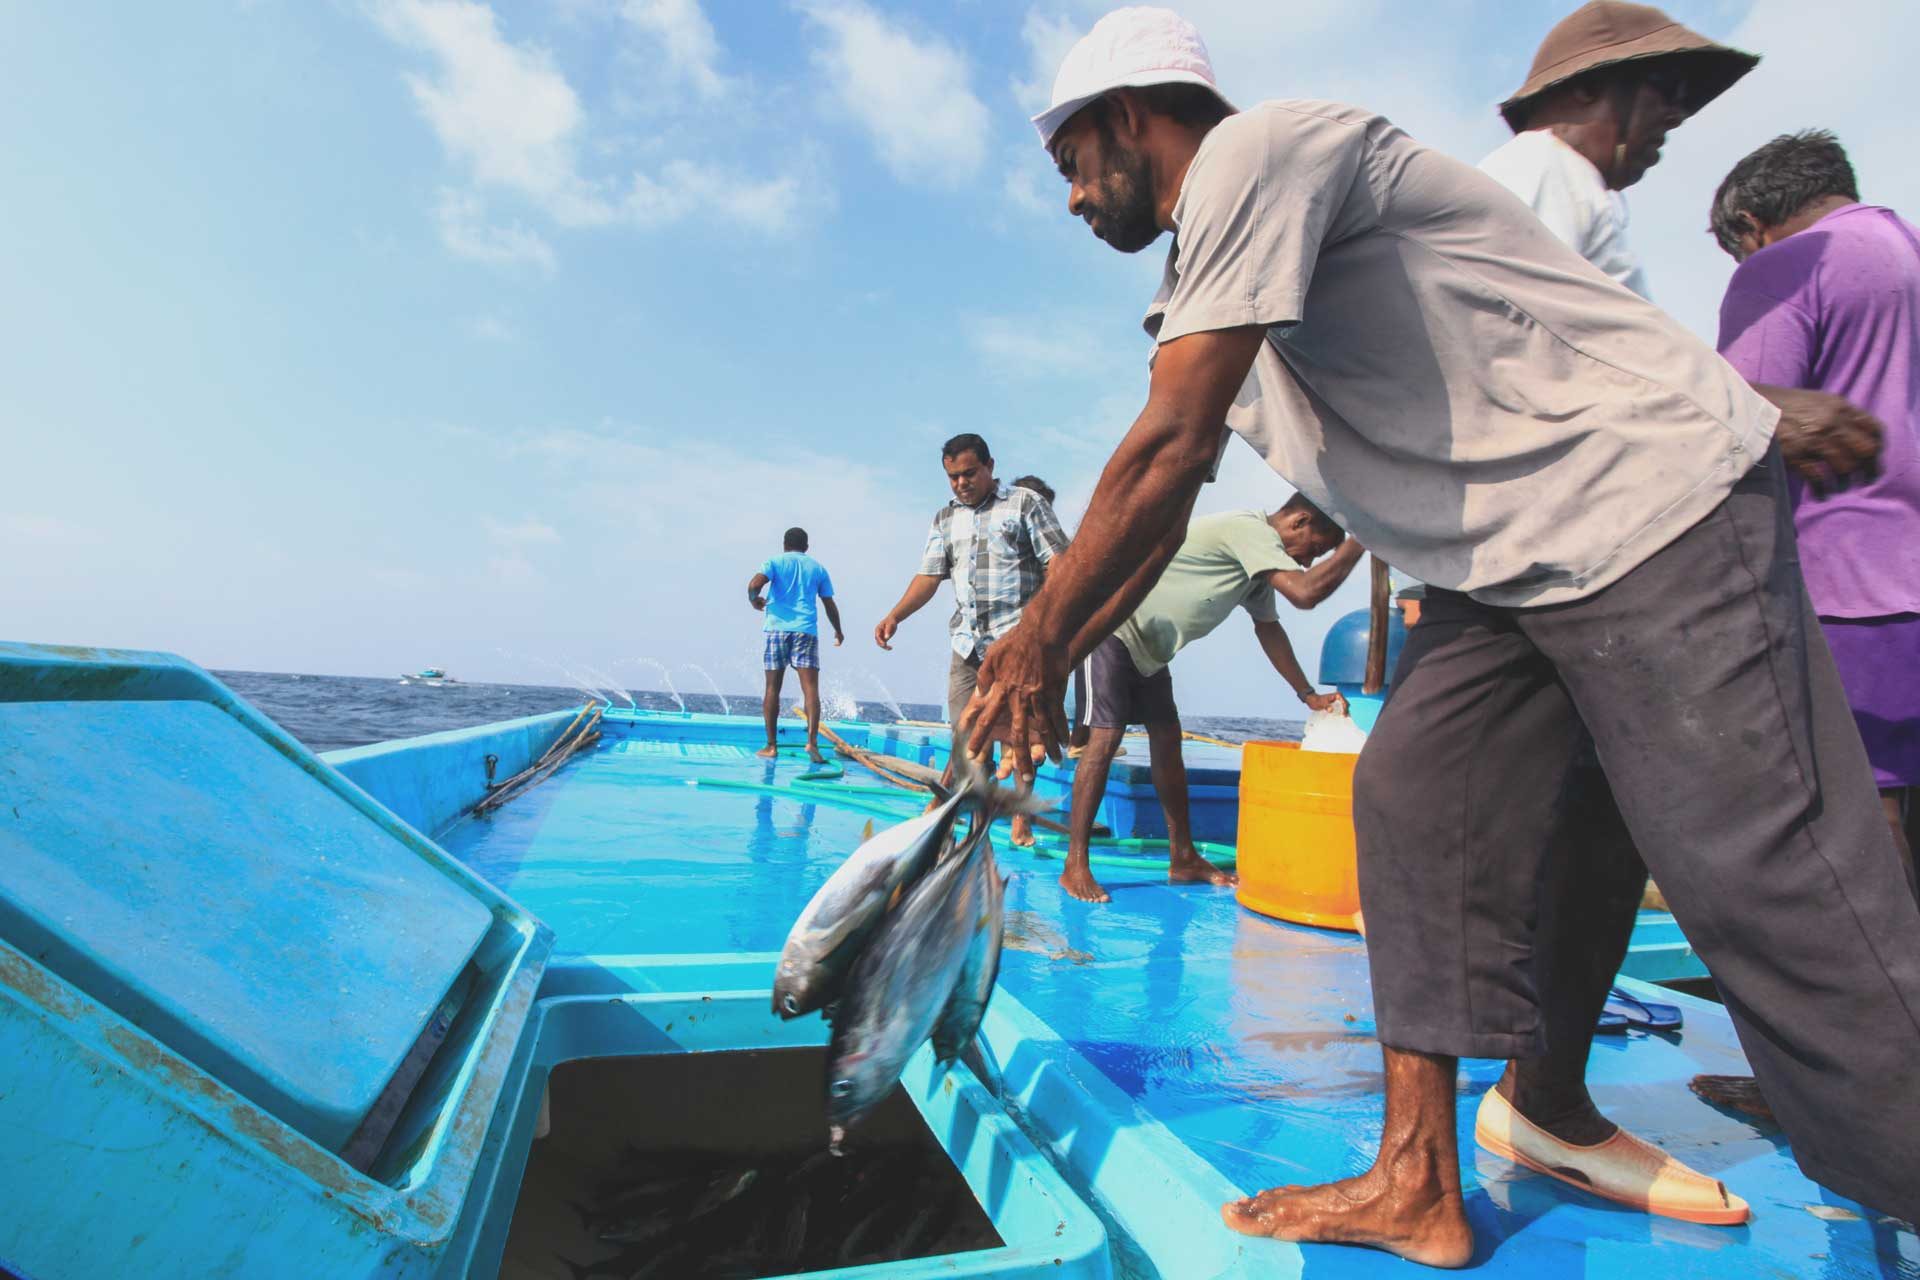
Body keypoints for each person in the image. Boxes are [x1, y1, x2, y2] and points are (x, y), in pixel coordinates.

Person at [966, 6, 1914, 1263]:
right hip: (1506, 560)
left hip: (1648, 512)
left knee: (1772, 878)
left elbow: (1168, 448)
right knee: (1412, 796)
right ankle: (1418, 1175)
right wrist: (1049, 635)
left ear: (1131, 117)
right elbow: (1197, 479)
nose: (1076, 199)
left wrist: (1033, 641)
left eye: (1074, 163)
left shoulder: (1258, 151)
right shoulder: (1216, 270)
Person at [1464, 0, 1761, 1220]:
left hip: (1581, 551)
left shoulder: (1581, 195)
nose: (1670, 131)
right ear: (1615, 87)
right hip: (1562, 558)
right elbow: (1502, 358)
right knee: (1574, 821)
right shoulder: (1544, 175)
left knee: (1598, 820)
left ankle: (1547, 1089)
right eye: (1667, 104)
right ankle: (1540, 1099)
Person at [1713, 130, 1920, 885]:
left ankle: (1885, 1008)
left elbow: (1732, 427)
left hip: (1852, 588)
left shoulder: (1787, 266)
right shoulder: (1906, 251)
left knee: (1861, 819)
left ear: (1749, 227)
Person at [1062, 498, 1360, 904]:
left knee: (1168, 739)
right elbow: (1304, 594)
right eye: (1314, 549)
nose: (1308, 563)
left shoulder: (1257, 566)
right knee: (1106, 736)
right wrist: (1360, 541)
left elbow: (1268, 628)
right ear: (1300, 521)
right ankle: (1074, 865)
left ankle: (1183, 857)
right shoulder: (1250, 531)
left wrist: (1307, 694)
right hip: (1113, 628)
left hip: (1151, 653)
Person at [875, 435, 1068, 845]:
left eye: (968, 473)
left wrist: (1042, 631)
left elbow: (1060, 564)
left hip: (1016, 643)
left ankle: (1020, 815)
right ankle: (960, 806)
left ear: (990, 466)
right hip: (967, 644)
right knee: (966, 732)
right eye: (952, 477)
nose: (961, 483)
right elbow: (929, 576)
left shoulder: (1024, 504)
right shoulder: (944, 519)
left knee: (1022, 732)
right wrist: (896, 614)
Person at [747, 527, 842, 763]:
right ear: (806, 547)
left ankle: (771, 746)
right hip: (805, 632)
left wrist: (754, 600)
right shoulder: (817, 568)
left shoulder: (775, 562)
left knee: (772, 688)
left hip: (776, 630)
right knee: (810, 690)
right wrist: (838, 630)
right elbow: (829, 603)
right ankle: (812, 743)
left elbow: (753, 585)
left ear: (784, 544)